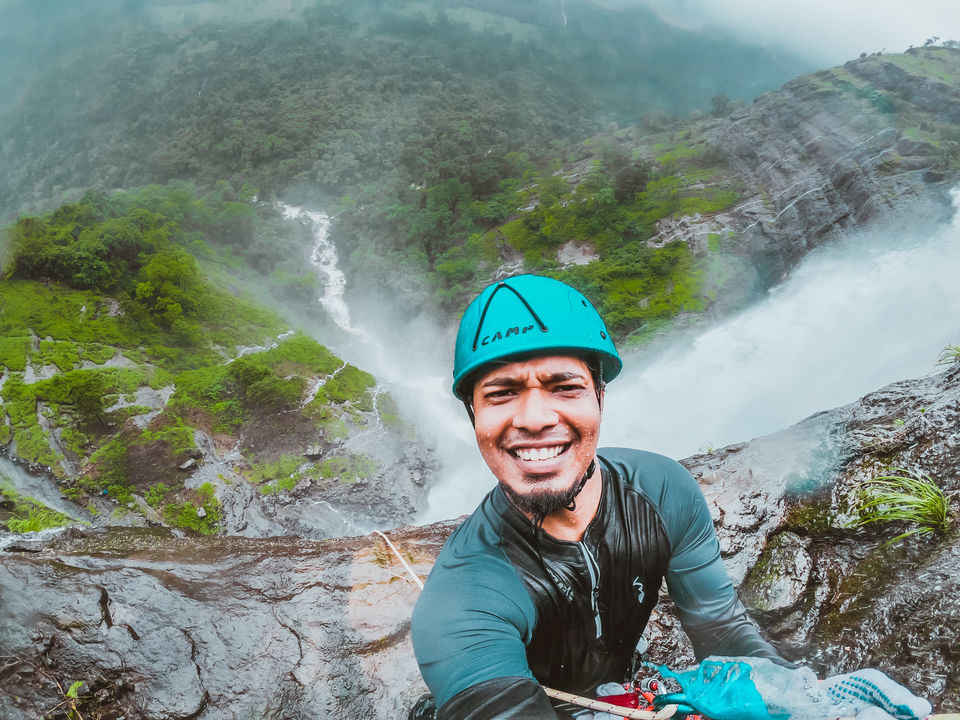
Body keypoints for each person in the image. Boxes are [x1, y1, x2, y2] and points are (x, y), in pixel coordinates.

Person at [410, 274, 928, 720]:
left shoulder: (661, 490)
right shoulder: (462, 602)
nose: (535, 418)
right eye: (501, 393)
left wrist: (793, 695)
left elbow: (720, 625)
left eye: (563, 386)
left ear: (600, 397)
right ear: (474, 417)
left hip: (625, 693)